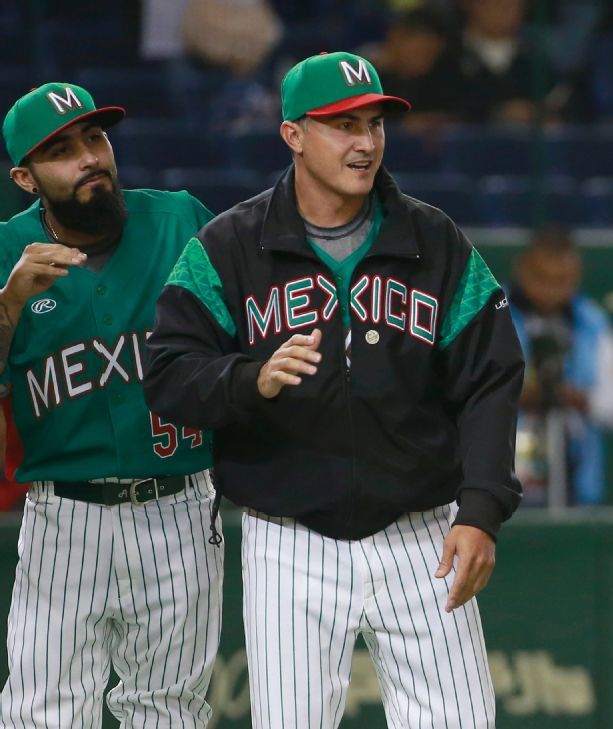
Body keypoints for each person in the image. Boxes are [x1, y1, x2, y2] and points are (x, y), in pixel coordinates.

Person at [143, 52, 524, 728]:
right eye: (342, 125)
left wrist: (481, 508)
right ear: (292, 134)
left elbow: (492, 375)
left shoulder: (433, 239)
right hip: (290, 539)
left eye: (375, 123)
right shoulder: (229, 246)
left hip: (425, 533)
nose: (366, 142)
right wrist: (247, 378)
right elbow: (168, 374)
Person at [0, 83, 221, 726]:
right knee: (42, 714)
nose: (89, 156)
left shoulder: (181, 219)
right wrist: (9, 303)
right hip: (64, 516)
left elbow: (248, 333)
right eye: (62, 149)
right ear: (25, 177)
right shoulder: (5, 252)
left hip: (179, 506)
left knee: (170, 712)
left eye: (95, 138)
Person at [508, 225, 613, 506]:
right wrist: (514, 395)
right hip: (502, 485)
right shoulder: (493, 316)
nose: (551, 290)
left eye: (562, 280)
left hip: (576, 487)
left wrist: (578, 398)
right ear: (522, 270)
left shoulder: (592, 322)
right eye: (542, 278)